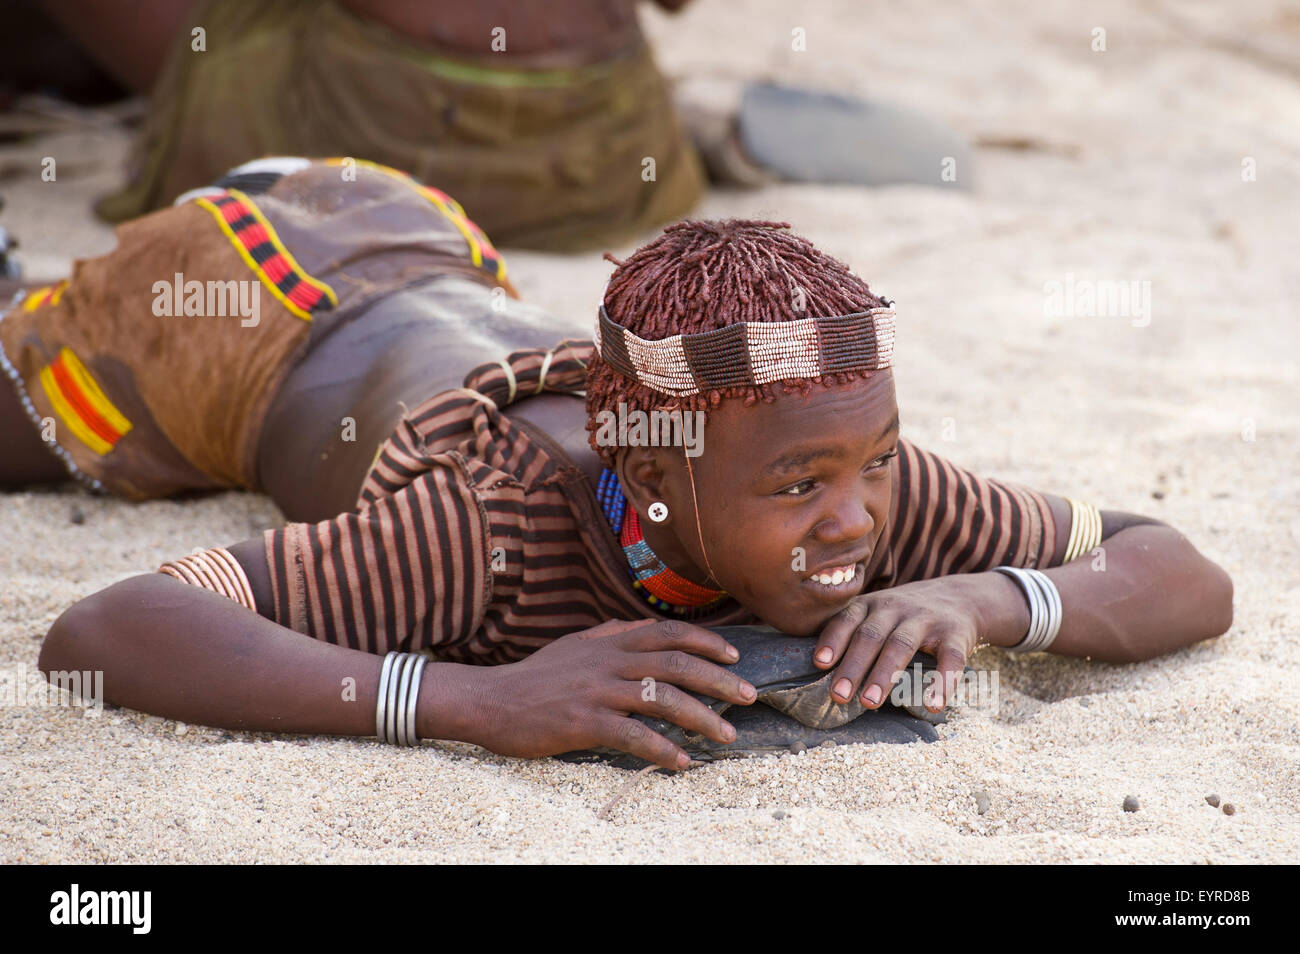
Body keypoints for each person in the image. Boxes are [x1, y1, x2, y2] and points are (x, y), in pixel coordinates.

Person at [3, 159, 1233, 770]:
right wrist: (471, 698)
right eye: (802, 485)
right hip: (240, 304)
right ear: (644, 475)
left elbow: (1176, 568)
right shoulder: (483, 533)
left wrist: (984, 597)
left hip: (428, 241)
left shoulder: (861, 490)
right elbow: (109, 631)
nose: (856, 523)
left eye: (880, 459)